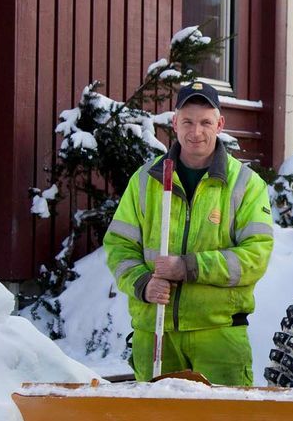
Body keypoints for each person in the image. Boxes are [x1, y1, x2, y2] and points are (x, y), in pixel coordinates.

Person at [104, 81, 274, 385]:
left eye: (206, 122)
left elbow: (255, 256)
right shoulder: (146, 180)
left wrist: (189, 267)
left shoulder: (246, 185)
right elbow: (119, 246)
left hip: (218, 333)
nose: (196, 132)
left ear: (220, 124)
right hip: (155, 332)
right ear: (174, 123)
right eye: (188, 122)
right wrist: (143, 284)